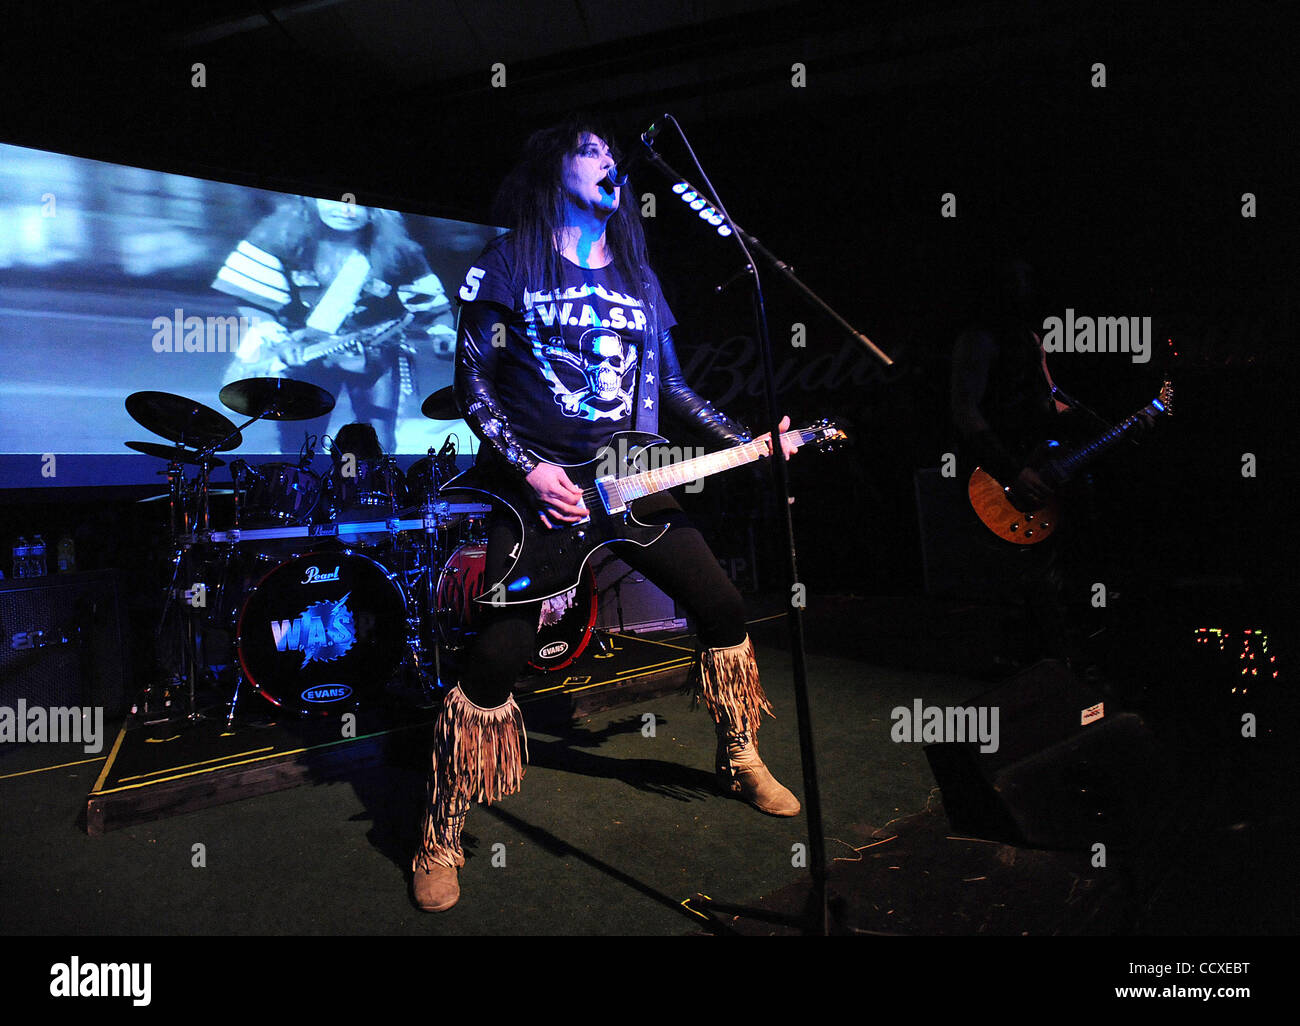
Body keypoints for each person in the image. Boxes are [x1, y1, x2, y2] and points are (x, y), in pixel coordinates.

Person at [411, 117, 801, 912]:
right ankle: (440, 829)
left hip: (631, 475)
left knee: (723, 606)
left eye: (611, 155)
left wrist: (749, 440)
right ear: (555, 169)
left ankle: (739, 752)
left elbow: (678, 389)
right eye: (591, 152)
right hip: (541, 490)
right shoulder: (508, 263)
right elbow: (472, 384)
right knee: (498, 655)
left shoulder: (636, 272)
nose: (608, 163)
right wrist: (530, 466)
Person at [213, 196, 455, 453]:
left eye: (358, 203)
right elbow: (254, 303)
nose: (345, 210)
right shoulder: (278, 238)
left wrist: (442, 333)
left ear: (375, 210)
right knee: (299, 443)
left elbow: (434, 308)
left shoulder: (399, 252)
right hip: (303, 354)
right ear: (310, 201)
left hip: (373, 355)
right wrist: (279, 340)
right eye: (333, 200)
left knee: (380, 443)